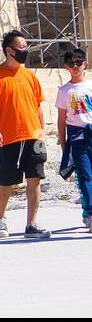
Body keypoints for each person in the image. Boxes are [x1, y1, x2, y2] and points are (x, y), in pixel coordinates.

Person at [0, 30, 51, 240]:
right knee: (6, 181)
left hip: (32, 135)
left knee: (34, 179)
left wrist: (41, 131)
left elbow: (37, 105)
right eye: (21, 47)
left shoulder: (30, 76)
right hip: (8, 137)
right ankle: (0, 220)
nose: (25, 50)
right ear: (9, 50)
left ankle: (32, 224)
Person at [56, 45, 92, 232]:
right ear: (66, 67)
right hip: (77, 137)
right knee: (85, 175)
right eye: (72, 63)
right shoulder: (64, 91)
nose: (76, 66)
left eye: (79, 62)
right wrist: (64, 145)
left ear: (85, 64)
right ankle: (90, 212)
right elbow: (61, 120)